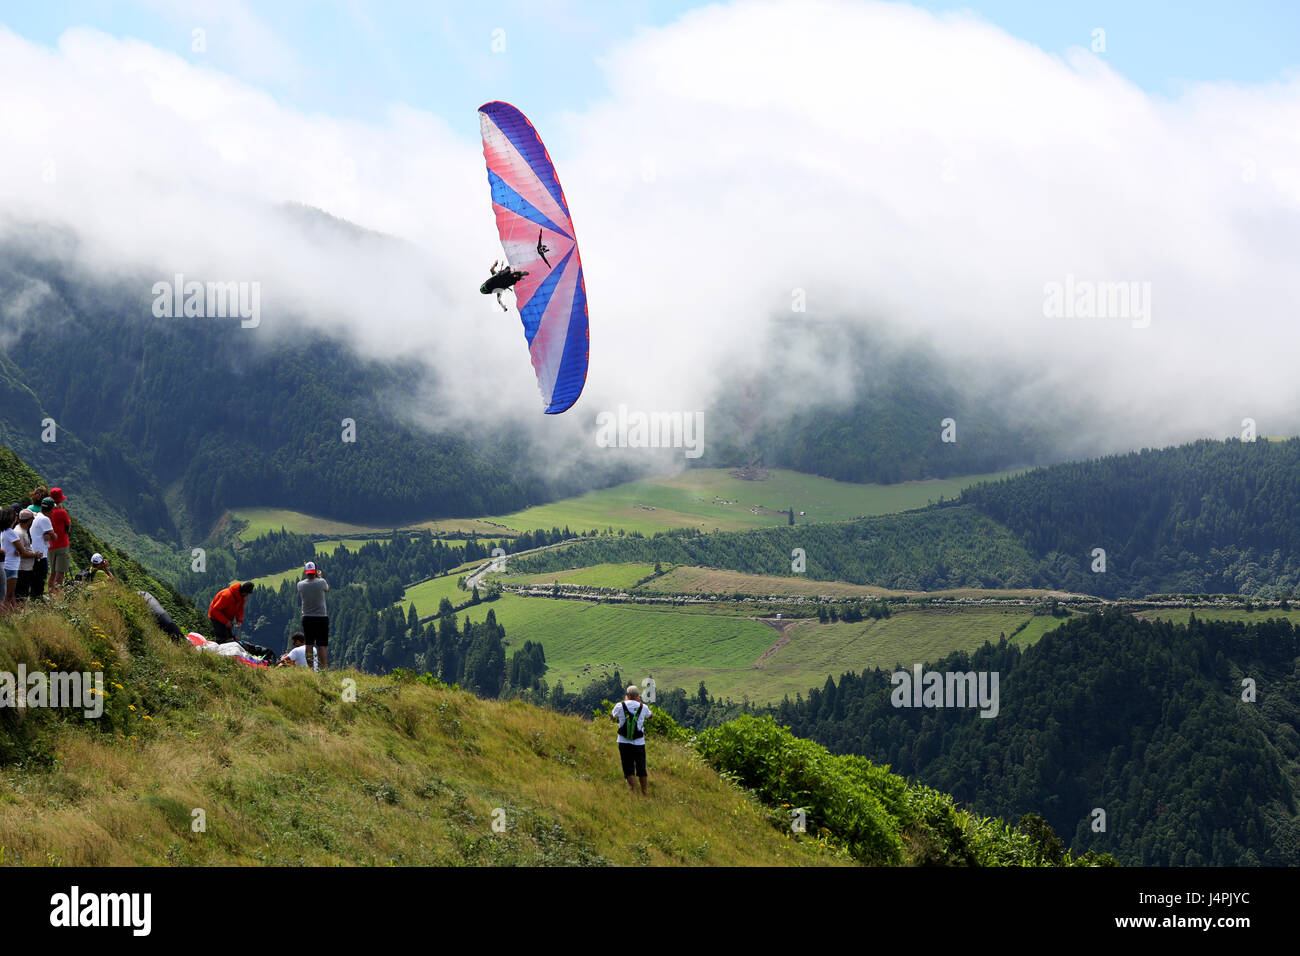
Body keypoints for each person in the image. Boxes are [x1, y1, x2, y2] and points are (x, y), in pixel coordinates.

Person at [611, 685, 651, 796]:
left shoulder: (620, 705)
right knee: (641, 768)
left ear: (627, 695)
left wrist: (625, 702)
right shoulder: (643, 707)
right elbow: (650, 716)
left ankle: (633, 791)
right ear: (637, 695)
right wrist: (640, 702)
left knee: (628, 767)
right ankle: (644, 793)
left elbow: (612, 716)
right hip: (639, 742)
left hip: (624, 742)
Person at [297, 561, 330, 671]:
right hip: (321, 617)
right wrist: (319, 576)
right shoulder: (321, 582)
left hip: (307, 617)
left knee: (309, 645)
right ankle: (323, 670)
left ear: (306, 572)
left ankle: (311, 670)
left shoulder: (300, 585)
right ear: (315, 571)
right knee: (322, 645)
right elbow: (327, 589)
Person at [27, 498, 55, 600]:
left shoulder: (38, 516)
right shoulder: (45, 519)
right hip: (41, 555)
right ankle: (37, 600)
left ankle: (35, 598)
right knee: (40, 579)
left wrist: (47, 533)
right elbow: (55, 537)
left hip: (35, 552)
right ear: (51, 509)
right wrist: (50, 533)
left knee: (36, 579)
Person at [46, 488, 71, 594]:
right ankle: (57, 597)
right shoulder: (62, 513)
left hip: (50, 546)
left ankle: (50, 594)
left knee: (52, 573)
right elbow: (68, 528)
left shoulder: (46, 513)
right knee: (60, 573)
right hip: (62, 546)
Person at [13, 510, 37, 601]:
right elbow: (21, 553)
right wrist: (35, 555)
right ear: (29, 521)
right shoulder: (20, 533)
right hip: (22, 569)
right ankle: (19, 613)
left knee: (22, 594)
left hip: (24, 568)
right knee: (21, 595)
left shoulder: (21, 530)